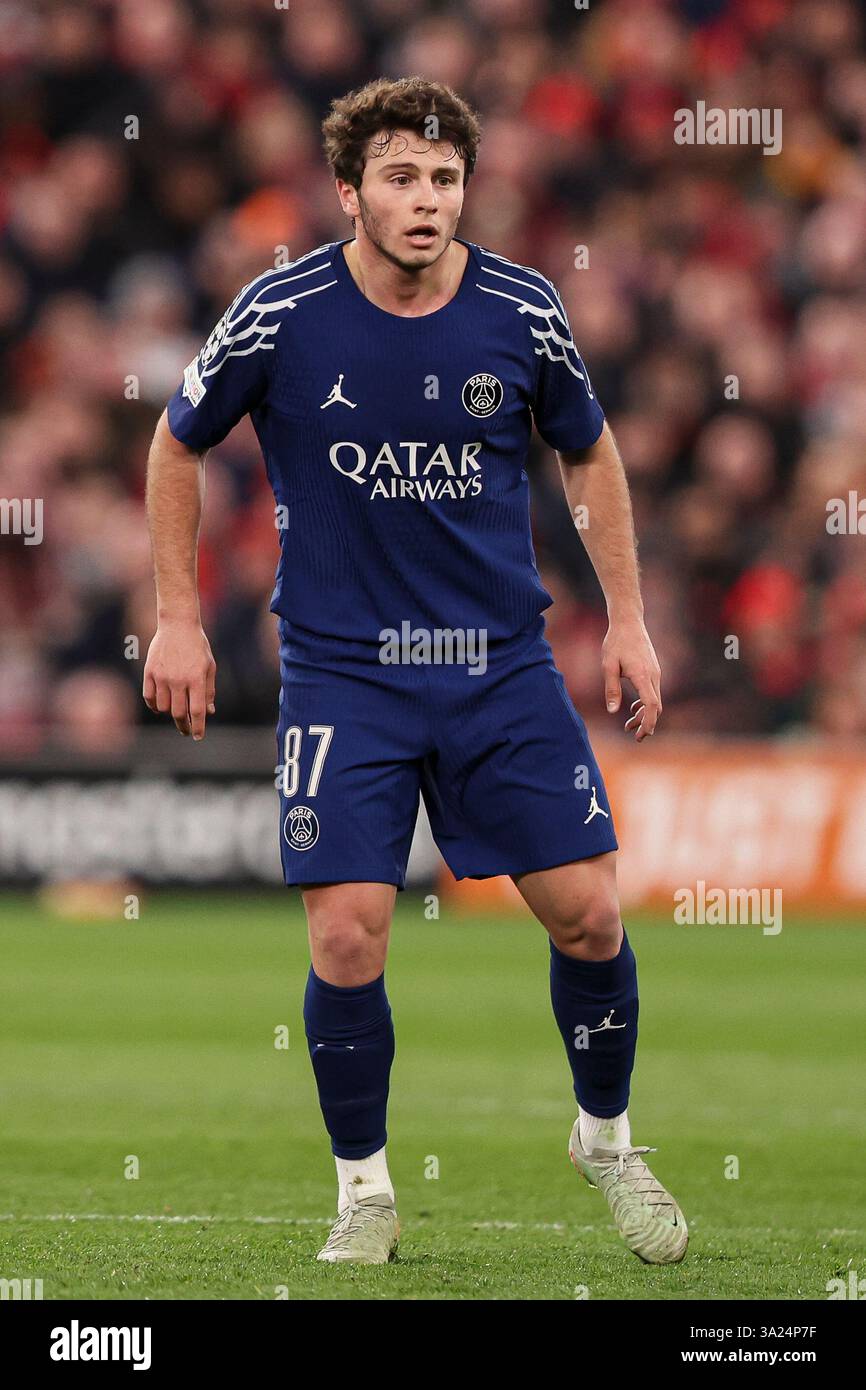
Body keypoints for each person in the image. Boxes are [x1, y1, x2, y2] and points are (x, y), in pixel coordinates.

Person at [143, 75, 686, 1267]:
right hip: (345, 675)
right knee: (347, 938)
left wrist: (628, 617)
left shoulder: (522, 310)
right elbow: (175, 441)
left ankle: (604, 1138)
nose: (426, 197)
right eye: (399, 177)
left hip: (499, 668)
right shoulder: (281, 313)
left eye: (443, 177)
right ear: (349, 191)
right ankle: (364, 1192)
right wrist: (176, 616)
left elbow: (589, 455)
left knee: (589, 914)